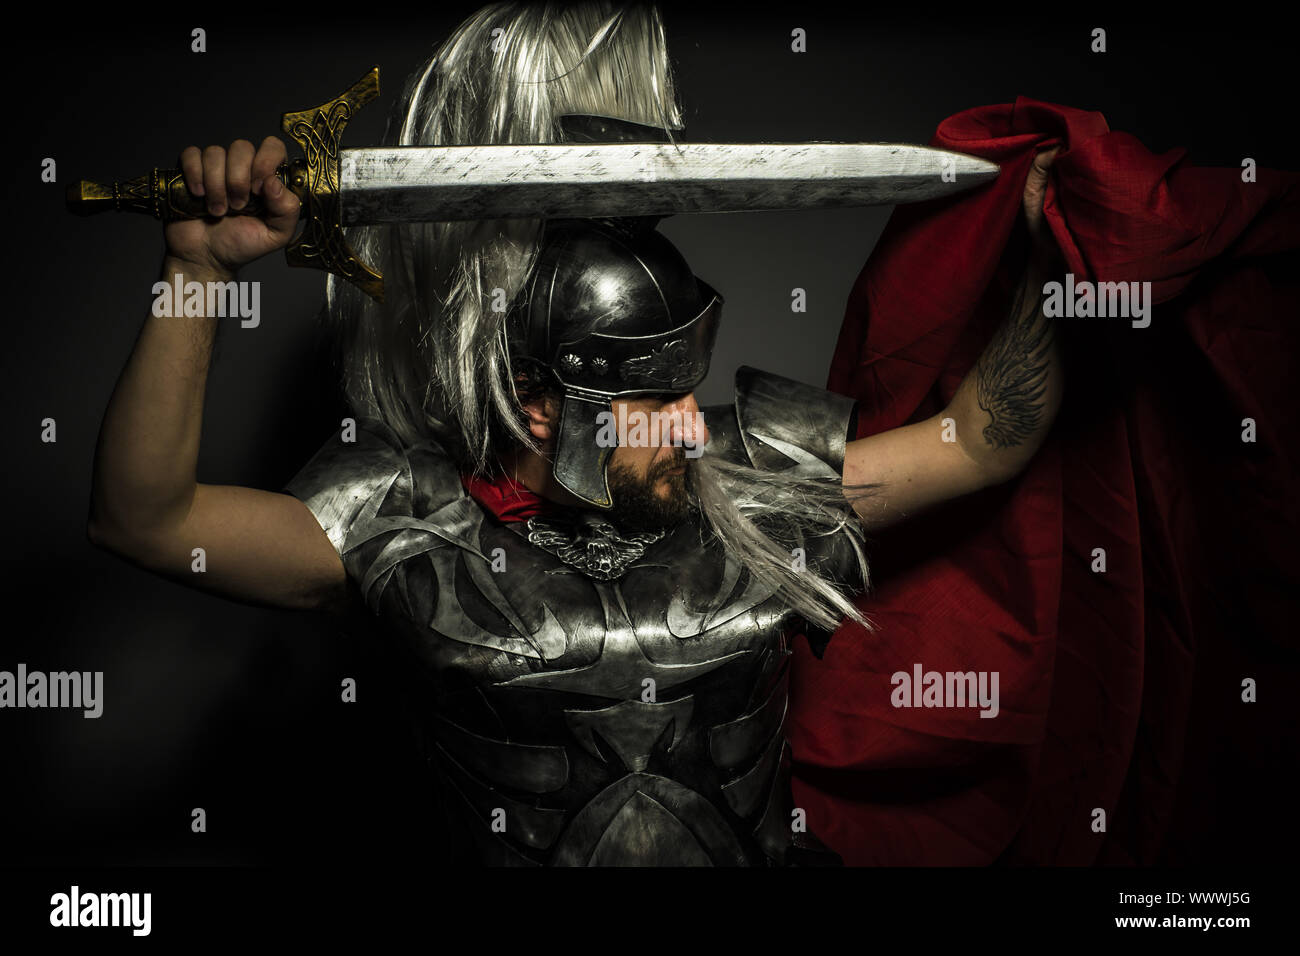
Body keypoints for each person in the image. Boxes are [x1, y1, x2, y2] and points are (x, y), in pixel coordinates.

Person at [87, 1, 1063, 865]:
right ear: (539, 401)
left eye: (691, 390)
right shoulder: (401, 518)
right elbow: (145, 516)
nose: (691, 424)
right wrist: (200, 267)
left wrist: (1061, 253)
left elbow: (981, 439)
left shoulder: (750, 471)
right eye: (654, 404)